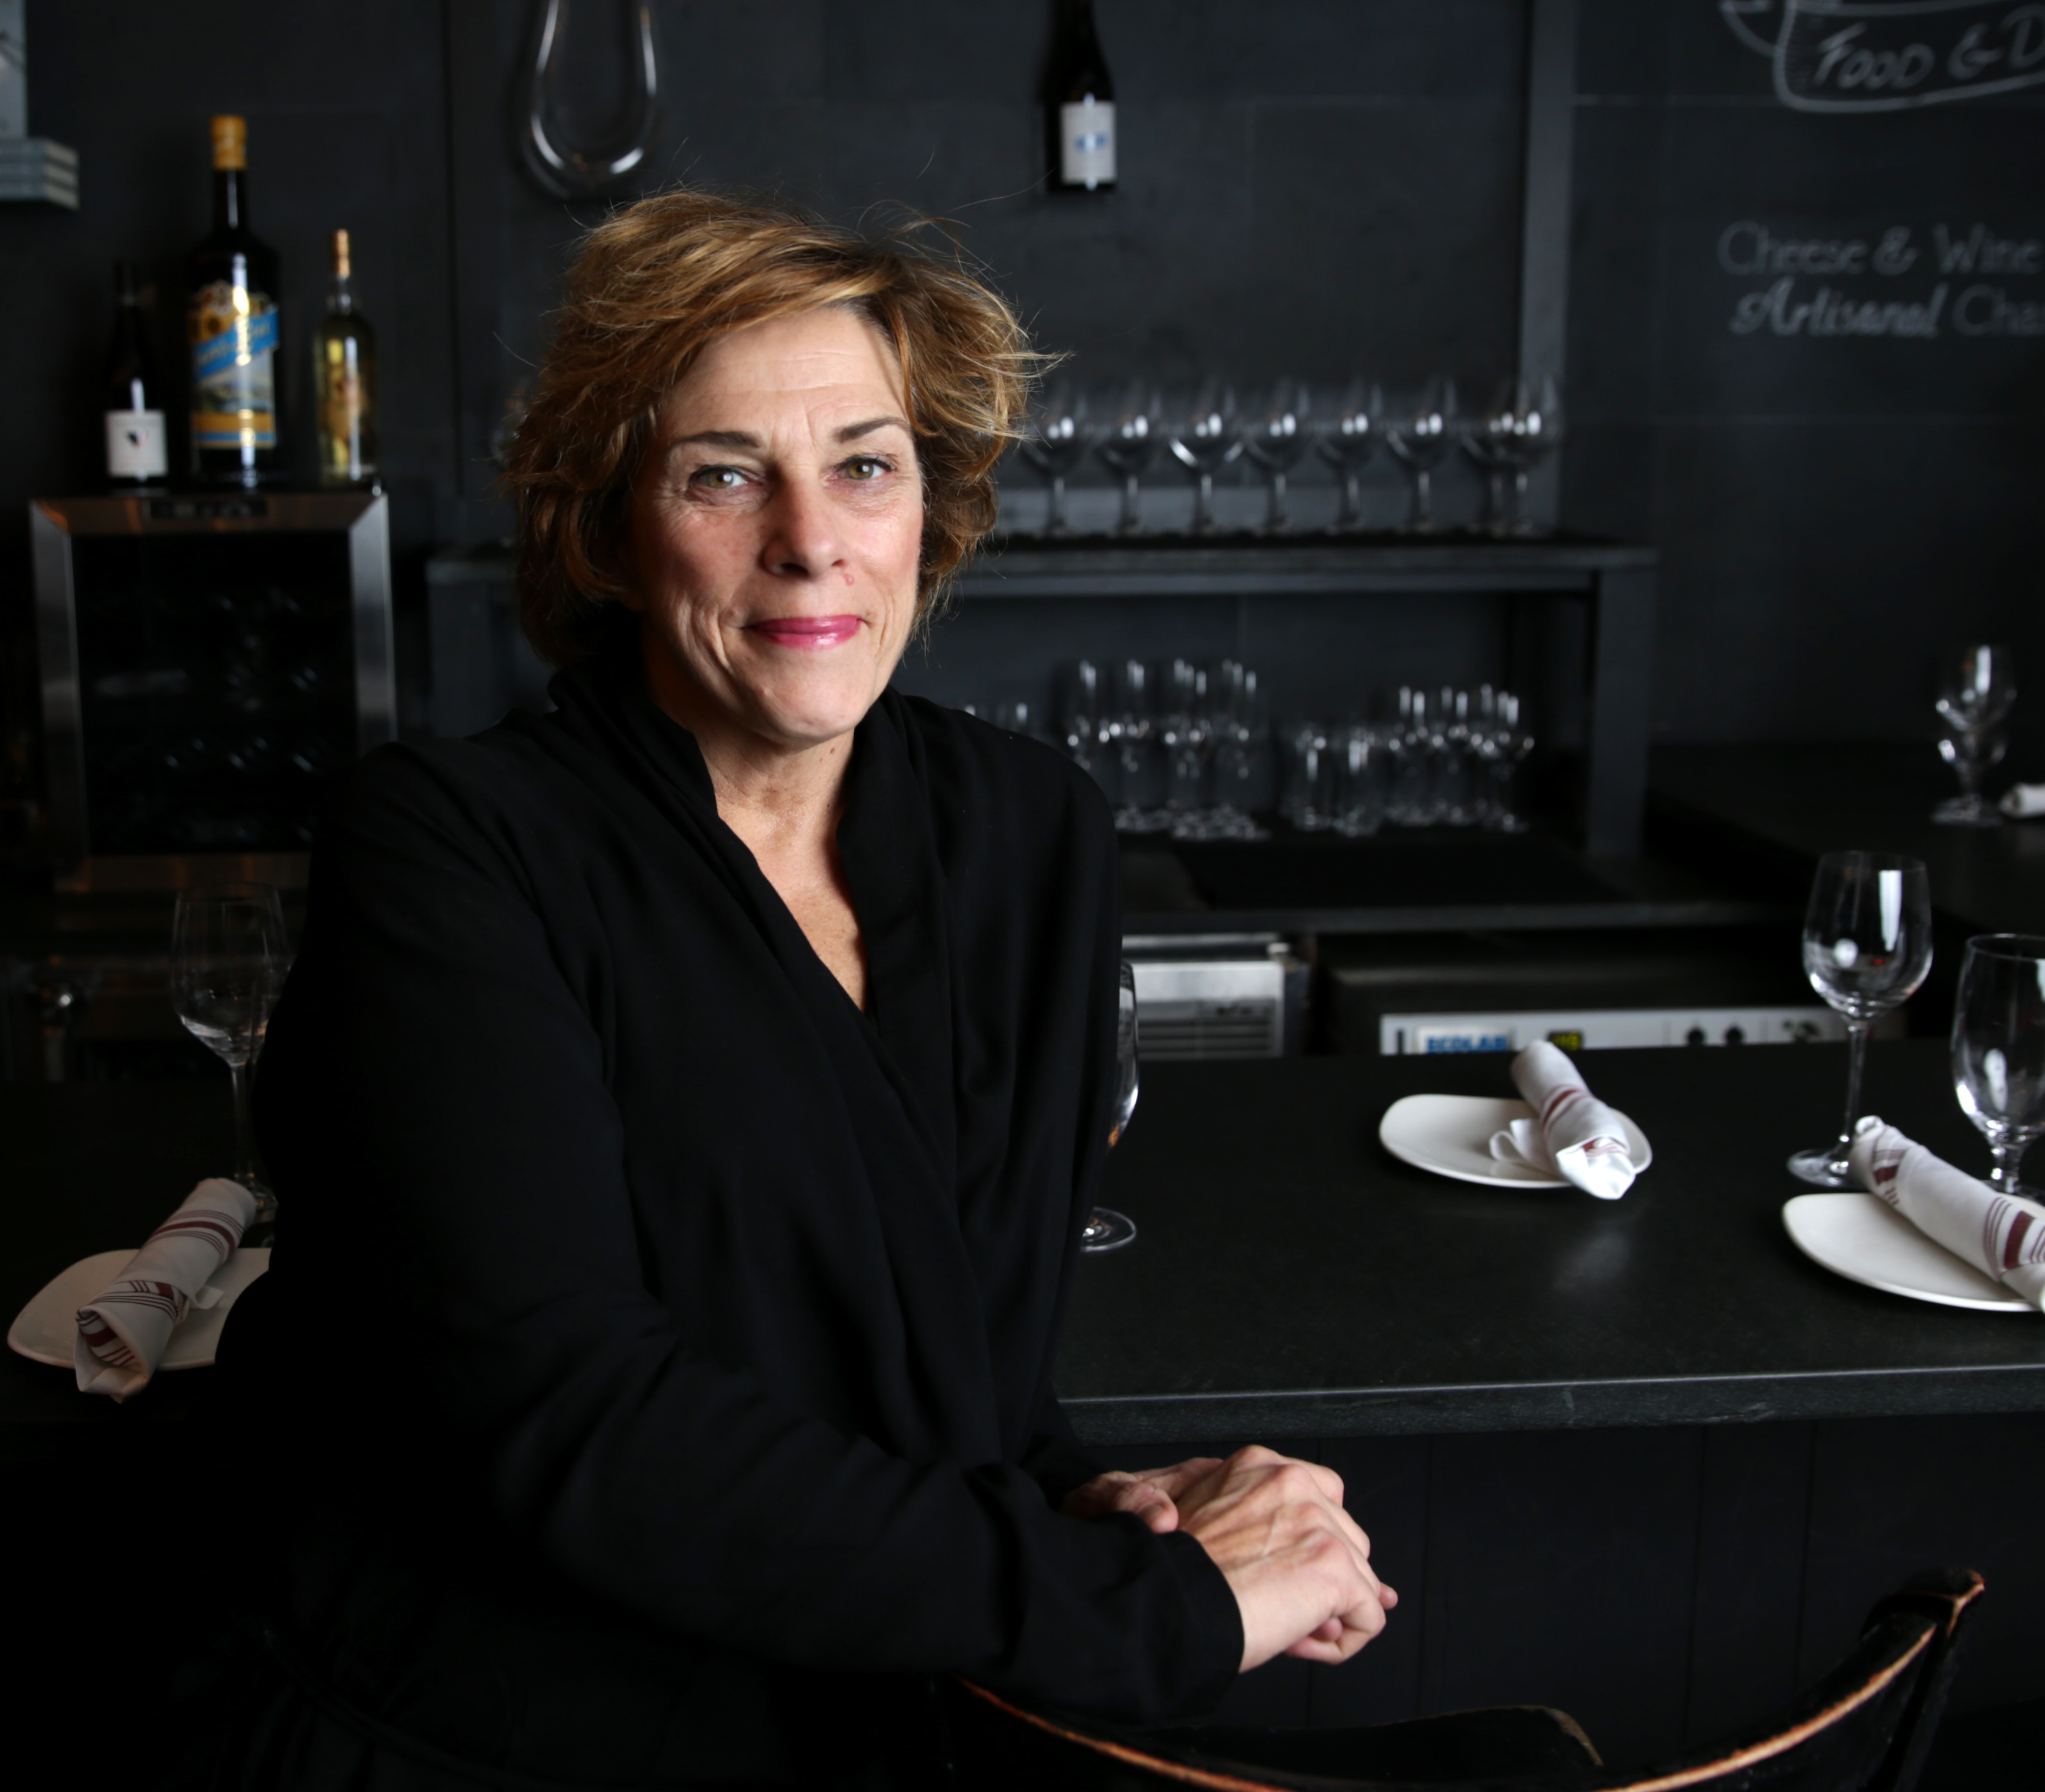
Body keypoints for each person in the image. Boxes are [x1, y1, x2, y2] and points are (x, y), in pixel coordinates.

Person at [207, 190, 1393, 1790]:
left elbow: (949, 1346)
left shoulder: (1033, 830)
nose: (810, 538)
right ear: (613, 527)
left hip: (876, 1701)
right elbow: (574, 1417)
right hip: (508, 1732)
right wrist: (1139, 1603)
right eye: (721, 473)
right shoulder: (454, 851)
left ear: (931, 506)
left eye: (865, 463)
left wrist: (1080, 1497)